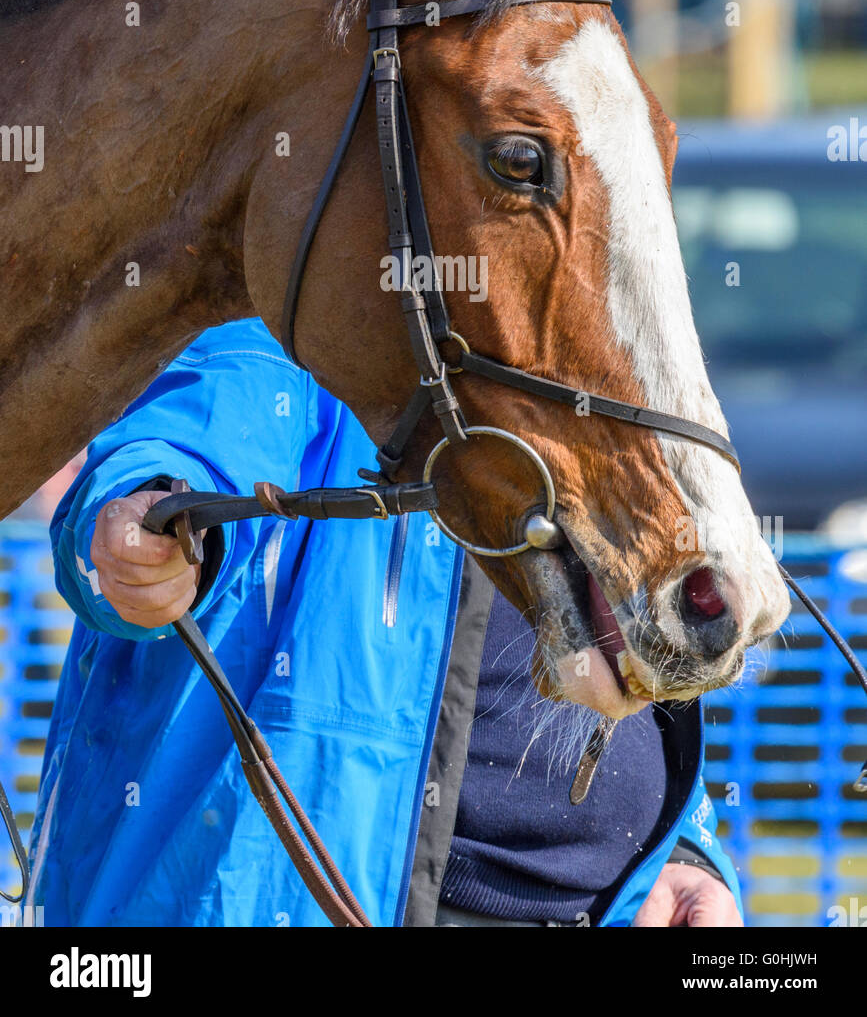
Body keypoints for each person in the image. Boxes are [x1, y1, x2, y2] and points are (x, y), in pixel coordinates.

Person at [31, 318, 741, 927]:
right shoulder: (294, 326)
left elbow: (635, 669)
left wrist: (683, 854)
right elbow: (179, 453)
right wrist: (150, 522)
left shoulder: (582, 365)